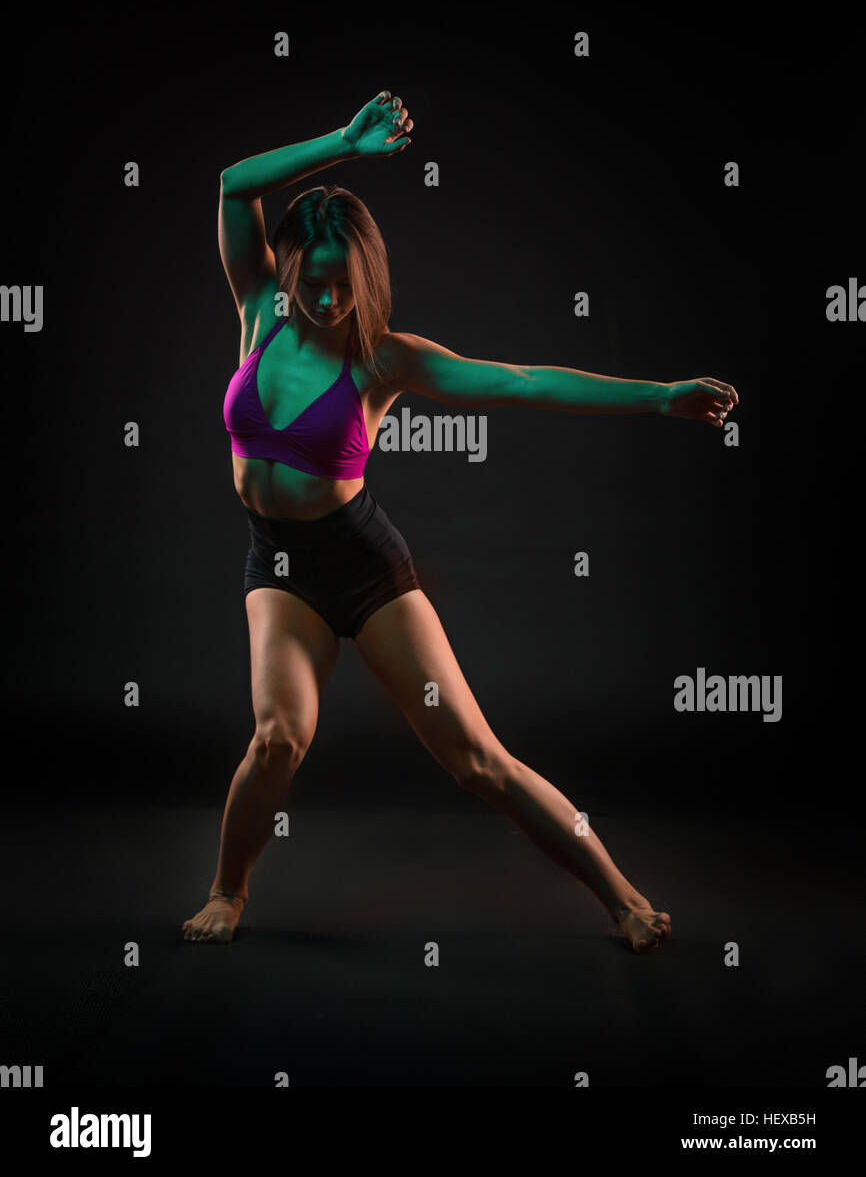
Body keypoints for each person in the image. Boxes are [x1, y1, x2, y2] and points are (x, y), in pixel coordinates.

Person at [182, 90, 737, 952]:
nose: (329, 300)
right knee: (279, 736)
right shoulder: (259, 309)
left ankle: (624, 898)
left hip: (362, 563)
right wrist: (344, 143)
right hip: (278, 565)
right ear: (286, 270)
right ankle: (228, 890)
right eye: (314, 282)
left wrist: (661, 395)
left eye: (343, 284)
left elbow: (521, 380)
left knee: (477, 759)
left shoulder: (383, 359)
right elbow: (231, 185)